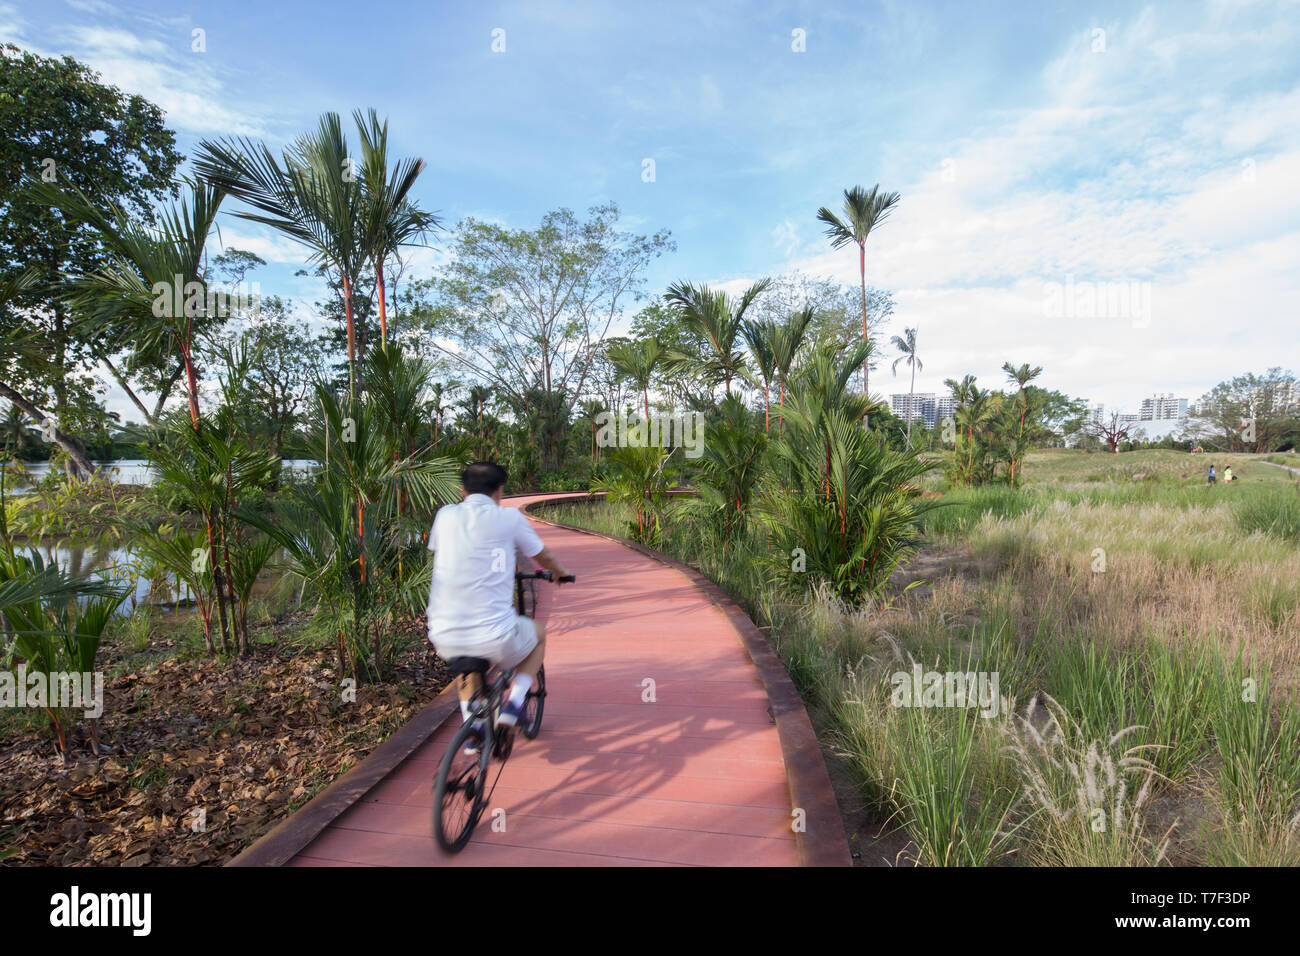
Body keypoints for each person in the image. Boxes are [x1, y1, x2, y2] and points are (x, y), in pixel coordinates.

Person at [426, 461, 571, 736]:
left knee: (466, 662)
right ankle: (514, 706)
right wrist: (559, 574)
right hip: (496, 638)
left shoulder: (444, 516)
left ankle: (474, 730)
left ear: (462, 491)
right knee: (538, 635)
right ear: (499, 491)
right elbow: (543, 556)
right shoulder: (509, 519)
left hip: (443, 634)